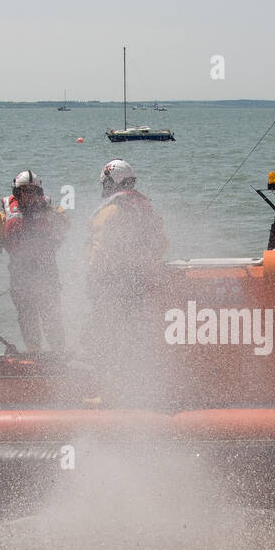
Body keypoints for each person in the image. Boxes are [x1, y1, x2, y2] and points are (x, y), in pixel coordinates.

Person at [84, 159, 167, 383]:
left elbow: (98, 253)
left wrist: (92, 281)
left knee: (108, 333)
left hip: (112, 283)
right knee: (135, 333)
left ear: (113, 182)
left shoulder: (111, 211)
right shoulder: (144, 207)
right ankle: (136, 378)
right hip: (140, 281)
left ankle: (110, 384)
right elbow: (160, 245)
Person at [0, 170, 68, 353]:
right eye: (25, 191)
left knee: (50, 312)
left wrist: (53, 242)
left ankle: (58, 351)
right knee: (27, 314)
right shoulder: (5, 215)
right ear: (17, 192)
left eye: (33, 191)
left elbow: (64, 226)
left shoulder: (49, 210)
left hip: (46, 269)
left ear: (39, 192)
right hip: (20, 271)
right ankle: (34, 351)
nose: (29, 195)